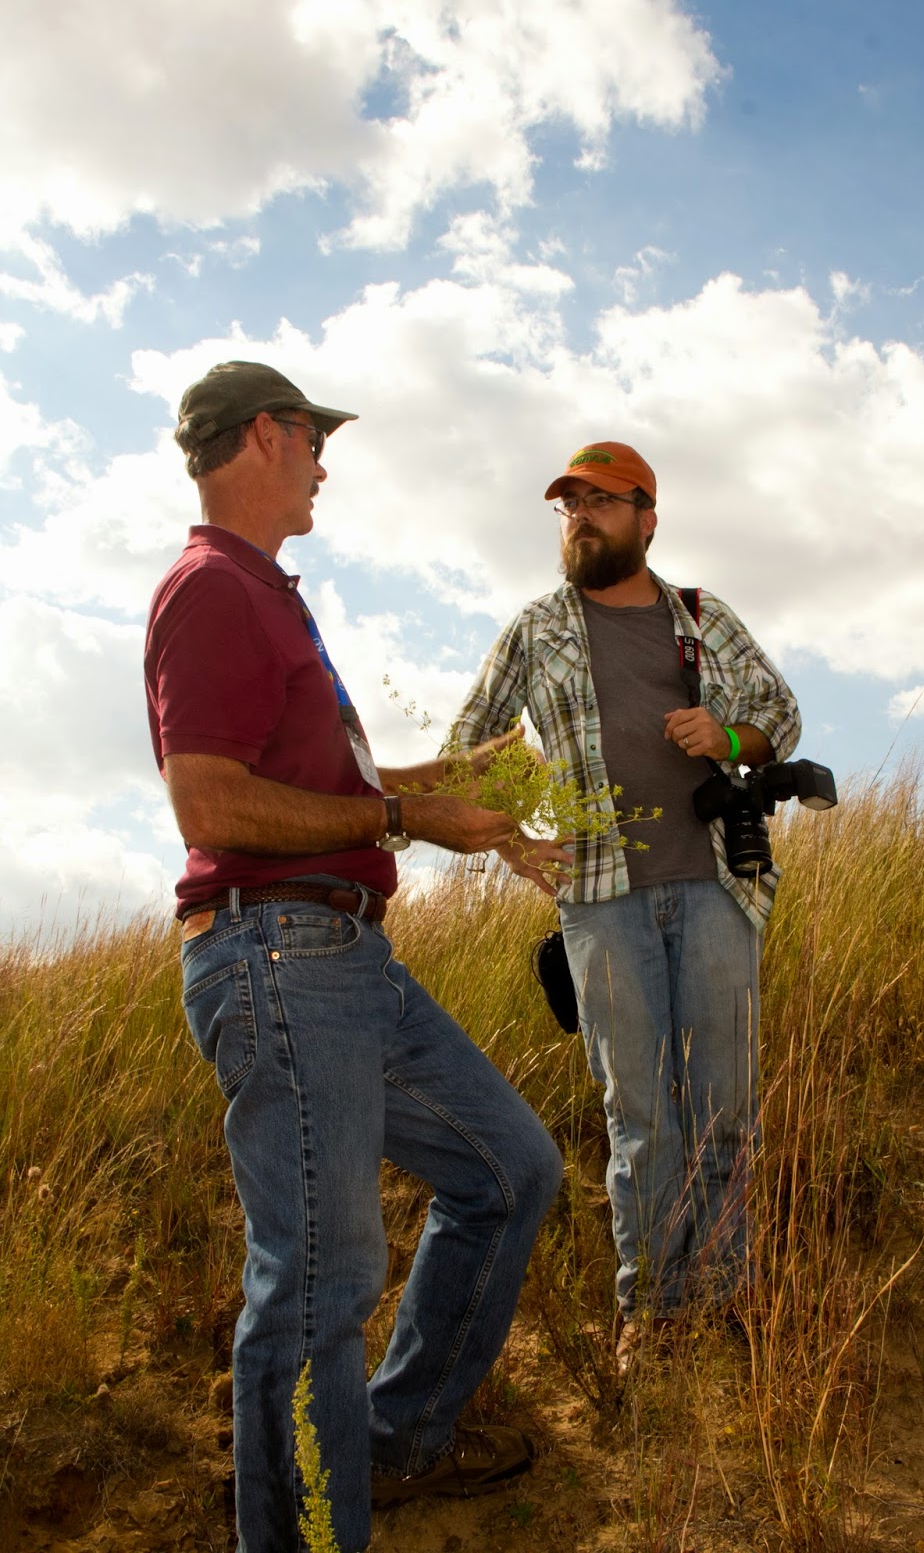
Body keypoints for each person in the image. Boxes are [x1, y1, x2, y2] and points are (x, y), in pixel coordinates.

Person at [143, 360, 564, 1553]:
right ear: (268, 436)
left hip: (344, 959)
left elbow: (348, 789)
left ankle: (388, 1449)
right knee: (321, 1280)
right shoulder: (211, 588)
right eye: (317, 438)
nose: (327, 462)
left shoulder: (271, 596)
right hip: (278, 956)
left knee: (509, 1170)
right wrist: (401, 821)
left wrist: (463, 787)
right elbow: (209, 802)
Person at [450, 441, 800, 1369]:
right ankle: (652, 1313)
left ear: (649, 517)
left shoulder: (698, 616)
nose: (580, 517)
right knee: (641, 1115)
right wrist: (516, 842)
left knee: (724, 1107)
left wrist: (729, 732)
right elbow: (469, 747)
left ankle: (729, 1301)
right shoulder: (536, 630)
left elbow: (781, 711)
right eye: (568, 504)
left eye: (601, 501)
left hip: (718, 885)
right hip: (600, 902)